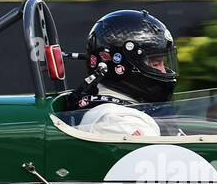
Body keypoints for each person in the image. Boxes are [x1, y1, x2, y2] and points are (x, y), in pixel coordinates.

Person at [67, 9, 179, 138]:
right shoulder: (115, 121)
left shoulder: (134, 108)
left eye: (163, 63)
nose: (163, 71)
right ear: (122, 66)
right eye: (155, 64)